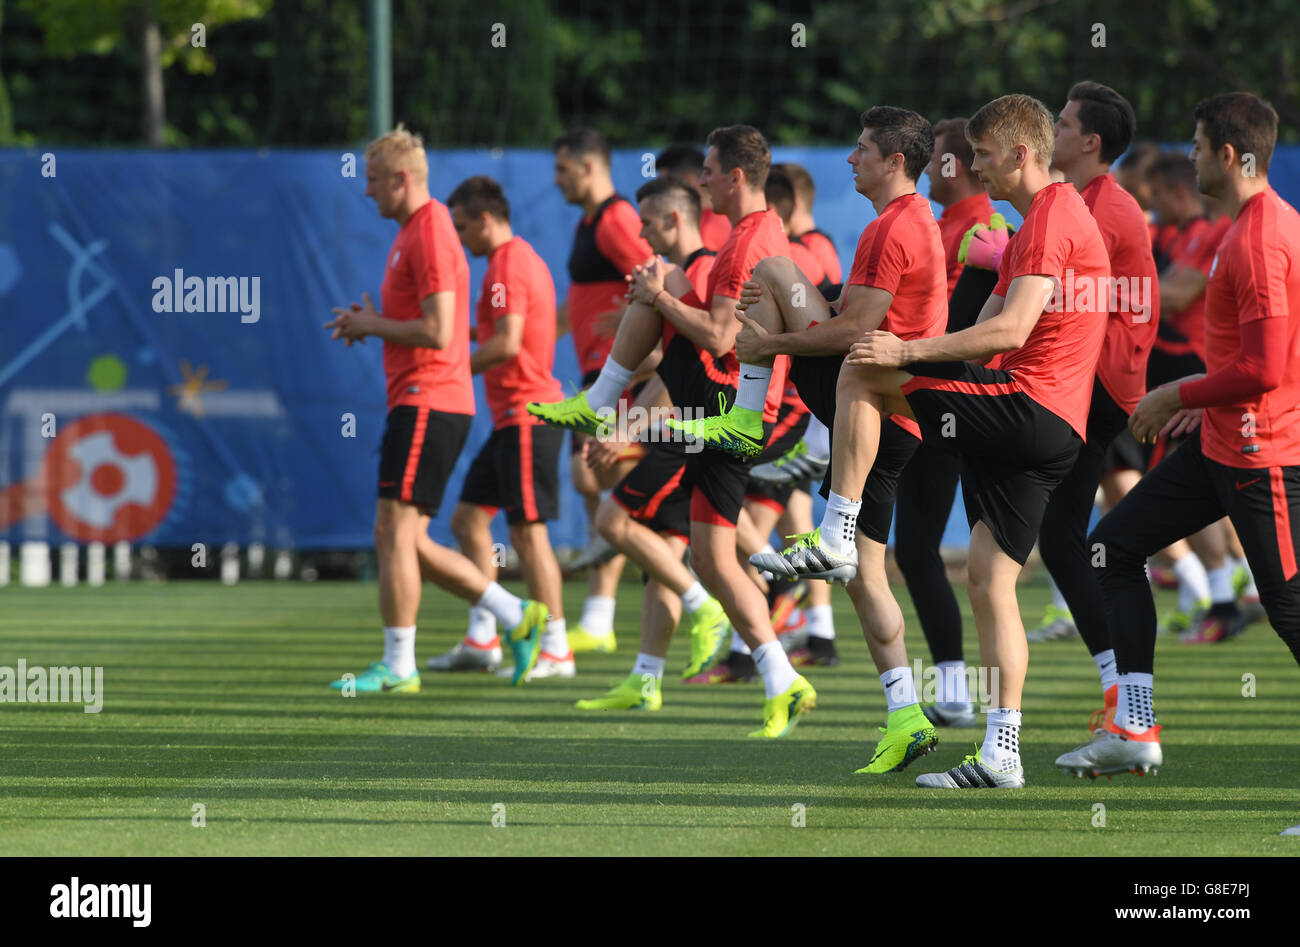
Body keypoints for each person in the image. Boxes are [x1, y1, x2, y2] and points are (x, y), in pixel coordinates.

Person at [530, 125, 819, 737]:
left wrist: (659, 303)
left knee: (618, 519)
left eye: (709, 171)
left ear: (733, 178)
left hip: (726, 407)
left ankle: (600, 402)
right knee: (713, 557)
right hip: (730, 407)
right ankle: (781, 678)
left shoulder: (741, 246)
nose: (703, 180)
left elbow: (716, 339)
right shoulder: (749, 235)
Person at [1059, 93, 1300, 781]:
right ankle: (1133, 724)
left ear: (1228, 154)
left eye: (1196, 146)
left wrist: (1174, 393)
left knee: (1287, 607)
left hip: (1264, 451)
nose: (1187, 157)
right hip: (1226, 439)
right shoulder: (1248, 226)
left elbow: (1263, 366)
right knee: (1113, 546)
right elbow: (1252, 359)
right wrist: (1204, 403)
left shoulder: (1257, 238)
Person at [717, 105, 952, 773]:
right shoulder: (905, 220)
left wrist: (775, 343)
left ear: (894, 161)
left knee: (775, 269)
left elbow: (857, 333)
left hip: (877, 405)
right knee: (862, 576)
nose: (850, 159)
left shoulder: (893, 226)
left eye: (861, 148)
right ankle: (906, 713)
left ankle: (753, 422)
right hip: (885, 416)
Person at [323, 126, 547, 693]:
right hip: (422, 400)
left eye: (373, 181)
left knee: (396, 536)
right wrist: (374, 325)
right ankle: (517, 616)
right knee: (403, 538)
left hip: (429, 400)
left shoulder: (430, 234)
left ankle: (400, 665)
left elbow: (441, 331)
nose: (366, 192)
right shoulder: (412, 233)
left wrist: (373, 325)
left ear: (401, 179)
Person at [1030, 81, 1158, 733]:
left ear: (1090, 142)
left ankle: (1123, 696)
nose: (1052, 127)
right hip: (1102, 384)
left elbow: (1052, 291)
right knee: (1068, 538)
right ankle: (1122, 695)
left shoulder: (1101, 209)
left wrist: (998, 254)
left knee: (1063, 537)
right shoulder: (1088, 200)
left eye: (1062, 119)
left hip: (1098, 385)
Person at [415, 175, 572, 681]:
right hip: (514, 418)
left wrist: (451, 368)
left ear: (486, 219)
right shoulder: (513, 261)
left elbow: (506, 343)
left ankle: (555, 646)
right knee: (467, 521)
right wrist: (440, 334)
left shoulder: (506, 265)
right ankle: (483, 637)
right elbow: (496, 332)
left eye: (463, 227)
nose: (460, 238)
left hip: (529, 416)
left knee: (529, 535)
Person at [553, 126, 655, 654]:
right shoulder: (587, 223)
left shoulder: (616, 219)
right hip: (599, 375)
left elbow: (658, 276)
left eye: (563, 169)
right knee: (594, 480)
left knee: (594, 474)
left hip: (624, 372)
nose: (556, 179)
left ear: (590, 166)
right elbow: (580, 304)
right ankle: (600, 617)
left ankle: (682, 577)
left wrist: (638, 315)